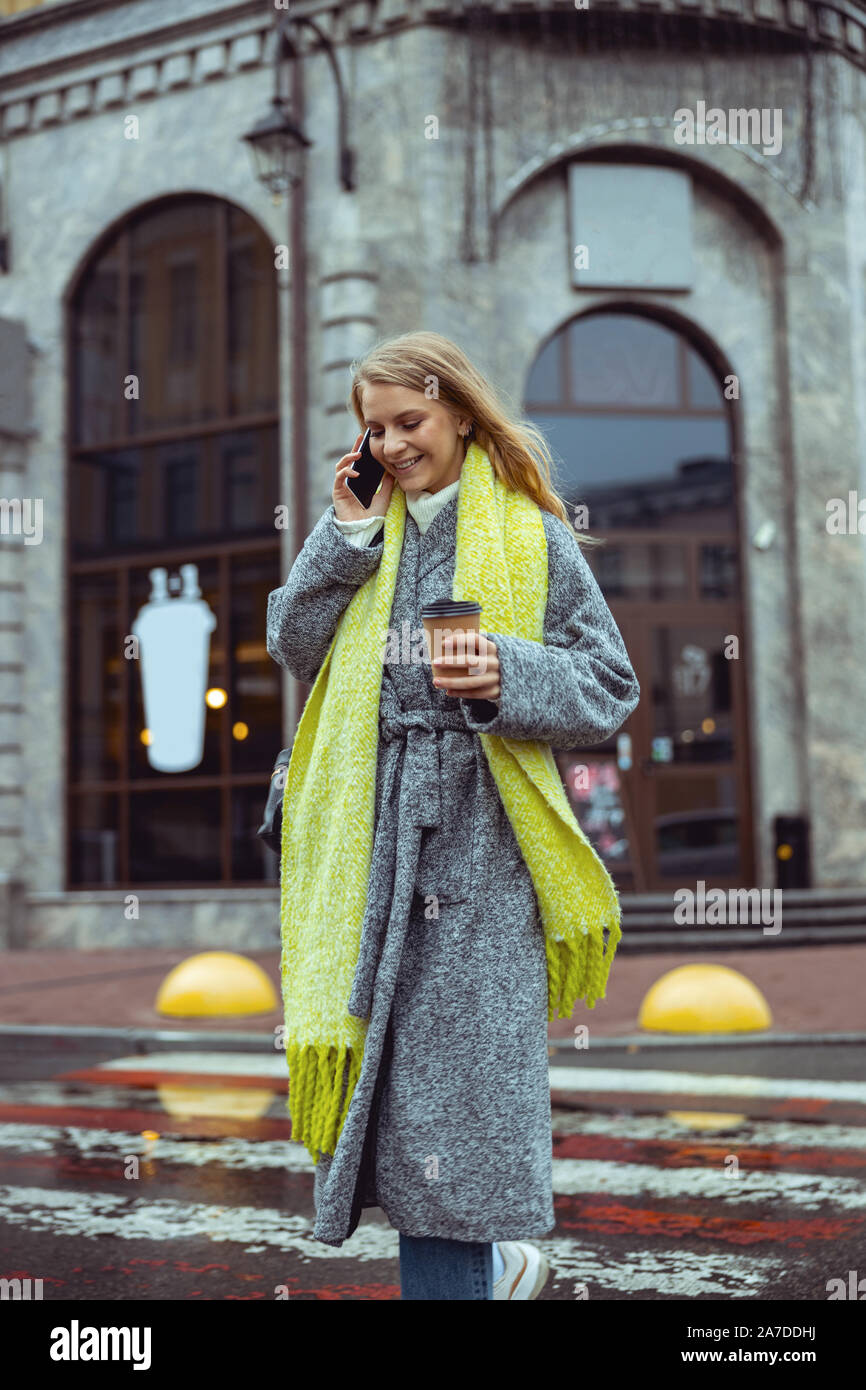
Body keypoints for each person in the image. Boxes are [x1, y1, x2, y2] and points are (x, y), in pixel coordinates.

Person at [266, 330, 641, 1300]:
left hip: (478, 854)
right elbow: (291, 638)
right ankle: (491, 1268)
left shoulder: (530, 535)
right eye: (372, 428)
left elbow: (608, 683)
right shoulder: (364, 533)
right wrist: (343, 533)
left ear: (462, 415)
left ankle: (475, 1267)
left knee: (452, 1124)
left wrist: (503, 675)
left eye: (409, 421)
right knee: (401, 1122)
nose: (388, 444)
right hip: (373, 848)